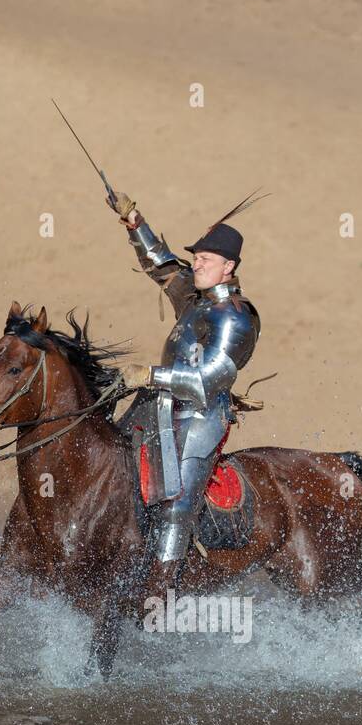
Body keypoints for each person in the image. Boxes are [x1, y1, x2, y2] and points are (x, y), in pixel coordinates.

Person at [110, 190, 261, 569]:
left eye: (205, 259)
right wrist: (135, 222)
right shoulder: (196, 299)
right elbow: (161, 265)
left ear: (228, 267)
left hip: (200, 418)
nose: (196, 264)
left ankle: (163, 583)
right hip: (156, 406)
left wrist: (150, 374)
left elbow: (207, 379)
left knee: (176, 504)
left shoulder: (235, 317)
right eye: (195, 257)